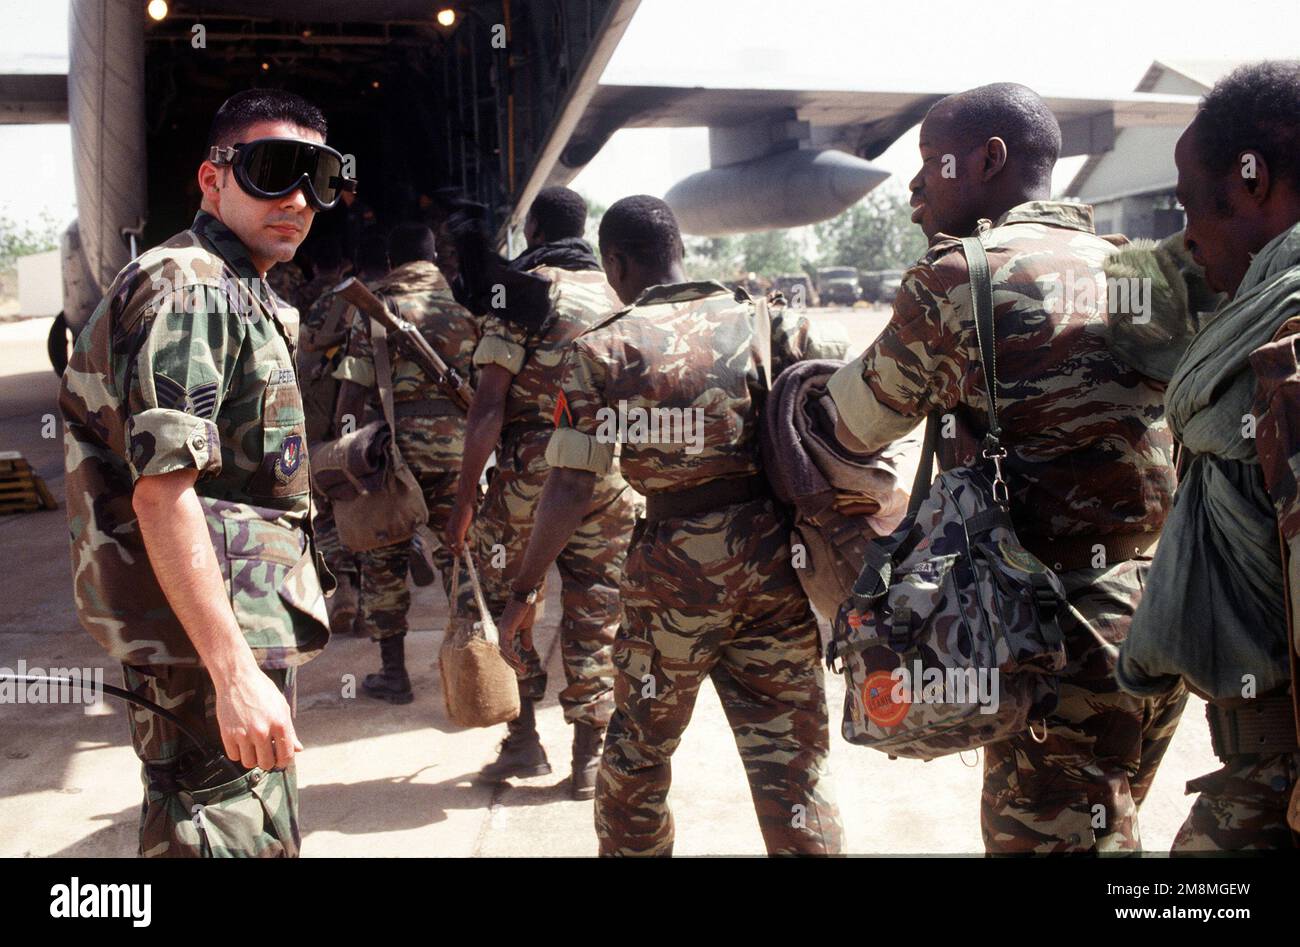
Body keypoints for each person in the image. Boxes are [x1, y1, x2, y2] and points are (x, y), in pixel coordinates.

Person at [825, 83, 1186, 853]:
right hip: (1163, 606)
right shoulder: (1142, 268)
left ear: (989, 159)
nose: (917, 185)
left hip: (1048, 629)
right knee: (1110, 826)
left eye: (932, 162)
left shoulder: (959, 276)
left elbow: (854, 424)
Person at [495, 195, 843, 855]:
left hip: (671, 586)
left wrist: (524, 588)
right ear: (679, 248)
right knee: (793, 762)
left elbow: (570, 483)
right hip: (776, 570)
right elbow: (846, 392)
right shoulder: (765, 320)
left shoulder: (604, 347)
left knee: (637, 755)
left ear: (616, 264)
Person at [59, 88, 349, 856]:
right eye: (273, 170)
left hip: (231, 619)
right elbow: (163, 494)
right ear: (213, 179)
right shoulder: (190, 287)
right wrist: (233, 674)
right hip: (201, 644)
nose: (298, 198)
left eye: (320, 178)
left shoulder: (241, 287)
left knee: (251, 820)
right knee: (215, 822)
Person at [1116, 60, 1300, 851]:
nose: (1187, 237)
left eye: (1193, 204)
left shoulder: (1287, 343)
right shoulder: (1258, 324)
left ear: (1253, 180)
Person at [446, 186, 636, 800]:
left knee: (512, 602)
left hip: (534, 476)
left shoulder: (525, 291)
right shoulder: (619, 292)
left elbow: (489, 405)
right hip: (610, 476)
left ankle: (524, 739)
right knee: (597, 606)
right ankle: (589, 756)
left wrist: (464, 500)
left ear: (533, 231)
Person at [333, 222, 482, 703]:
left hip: (393, 456)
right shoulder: (464, 315)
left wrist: (344, 451)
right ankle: (476, 669)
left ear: (391, 263)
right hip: (458, 455)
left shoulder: (375, 312)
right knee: (460, 555)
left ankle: (394, 675)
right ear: (434, 258)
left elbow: (352, 395)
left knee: (383, 559)